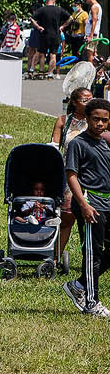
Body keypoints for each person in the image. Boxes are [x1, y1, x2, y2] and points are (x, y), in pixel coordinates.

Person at [63, 97, 110, 317]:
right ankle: (91, 302)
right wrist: (82, 204)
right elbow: (72, 175)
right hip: (90, 204)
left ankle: (79, 285)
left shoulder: (105, 142)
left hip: (108, 202)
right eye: (96, 119)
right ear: (88, 119)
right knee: (93, 254)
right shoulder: (78, 144)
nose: (100, 124)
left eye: (104, 120)